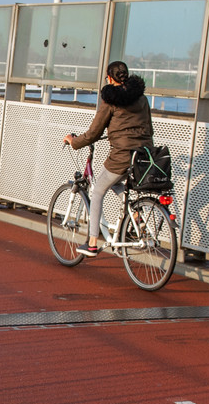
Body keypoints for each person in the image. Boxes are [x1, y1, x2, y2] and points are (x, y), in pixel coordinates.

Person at [63, 60, 154, 258]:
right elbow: (149, 129)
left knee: (97, 191)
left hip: (122, 156)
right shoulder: (143, 99)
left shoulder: (110, 100)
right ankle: (136, 216)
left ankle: (93, 243)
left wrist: (74, 141)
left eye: (106, 77)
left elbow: (94, 133)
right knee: (114, 181)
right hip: (145, 156)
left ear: (110, 78)